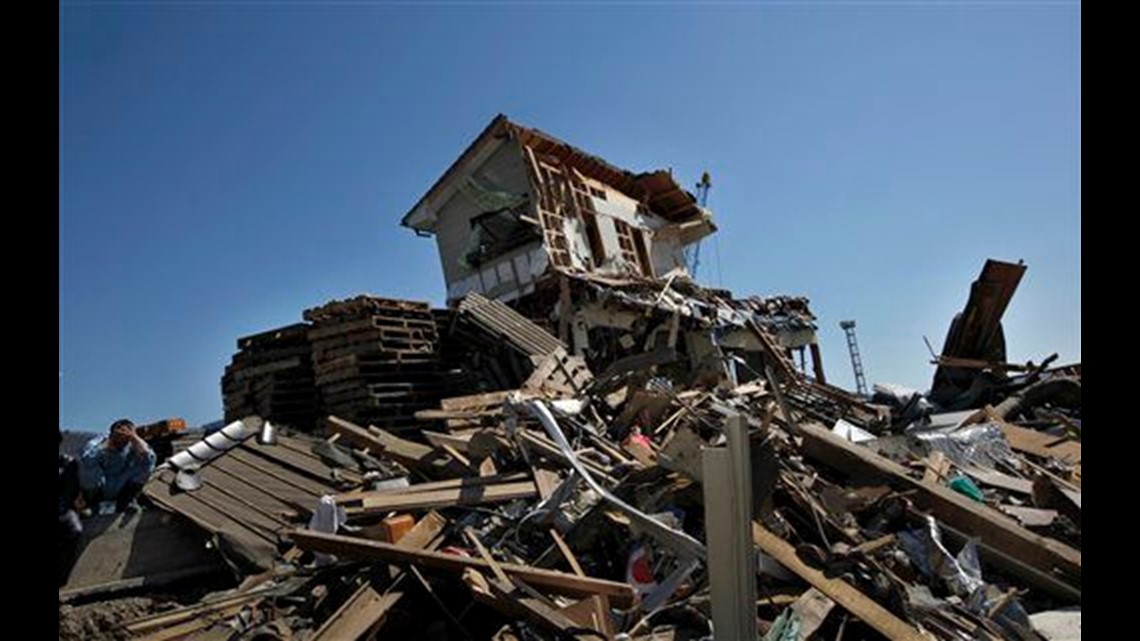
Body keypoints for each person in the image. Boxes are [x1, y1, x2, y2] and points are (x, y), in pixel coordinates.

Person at [78, 419, 156, 513]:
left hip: (121, 482)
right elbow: (86, 459)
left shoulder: (133, 443)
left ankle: (127, 502)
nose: (121, 437)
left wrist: (133, 437)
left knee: (146, 464)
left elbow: (149, 459)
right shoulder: (99, 441)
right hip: (101, 484)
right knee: (88, 466)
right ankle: (91, 504)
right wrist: (108, 444)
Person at [59, 429, 83, 587]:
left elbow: (71, 490)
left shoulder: (68, 463)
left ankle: (62, 579)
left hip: (62, 509)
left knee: (75, 530)